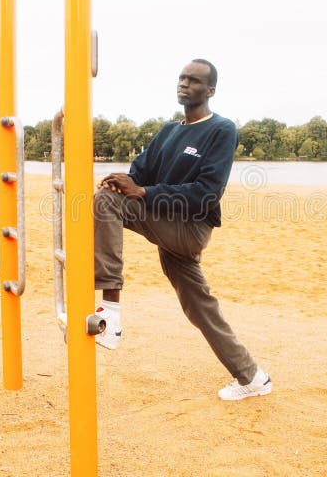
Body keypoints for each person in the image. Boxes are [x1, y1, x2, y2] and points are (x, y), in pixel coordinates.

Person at [93, 58, 272, 401]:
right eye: (181, 78)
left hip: (190, 228)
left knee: (105, 202)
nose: (184, 84)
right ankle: (252, 377)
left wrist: (143, 192)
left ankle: (111, 312)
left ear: (210, 91)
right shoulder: (169, 131)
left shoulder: (221, 129)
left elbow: (207, 193)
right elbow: (140, 173)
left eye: (194, 80)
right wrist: (124, 181)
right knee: (199, 307)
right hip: (166, 226)